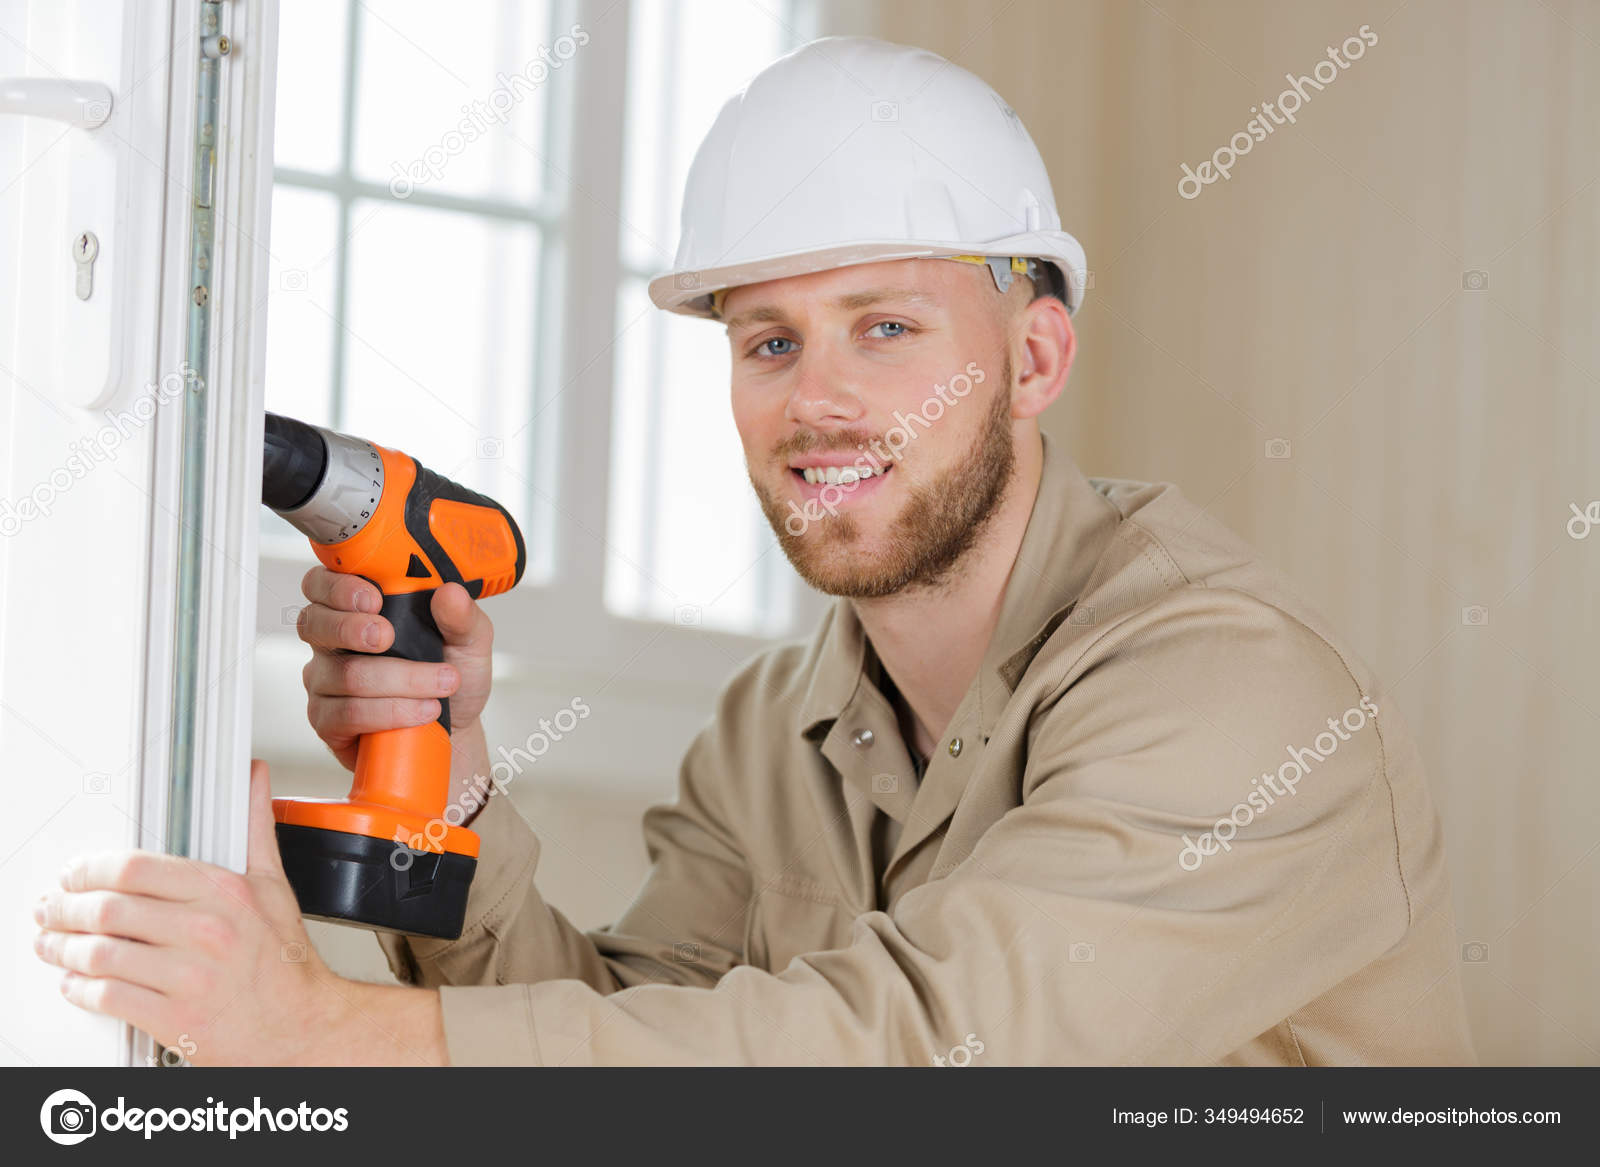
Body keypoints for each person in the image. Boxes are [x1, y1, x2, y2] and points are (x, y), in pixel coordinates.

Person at [33, 36, 1474, 1066]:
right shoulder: (774, 726)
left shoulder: (1238, 695)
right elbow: (640, 1035)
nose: (816, 400)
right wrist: (455, 792)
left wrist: (327, 1037)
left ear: (1035, 360)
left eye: (886, 327)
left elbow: (937, 1053)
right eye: (769, 342)